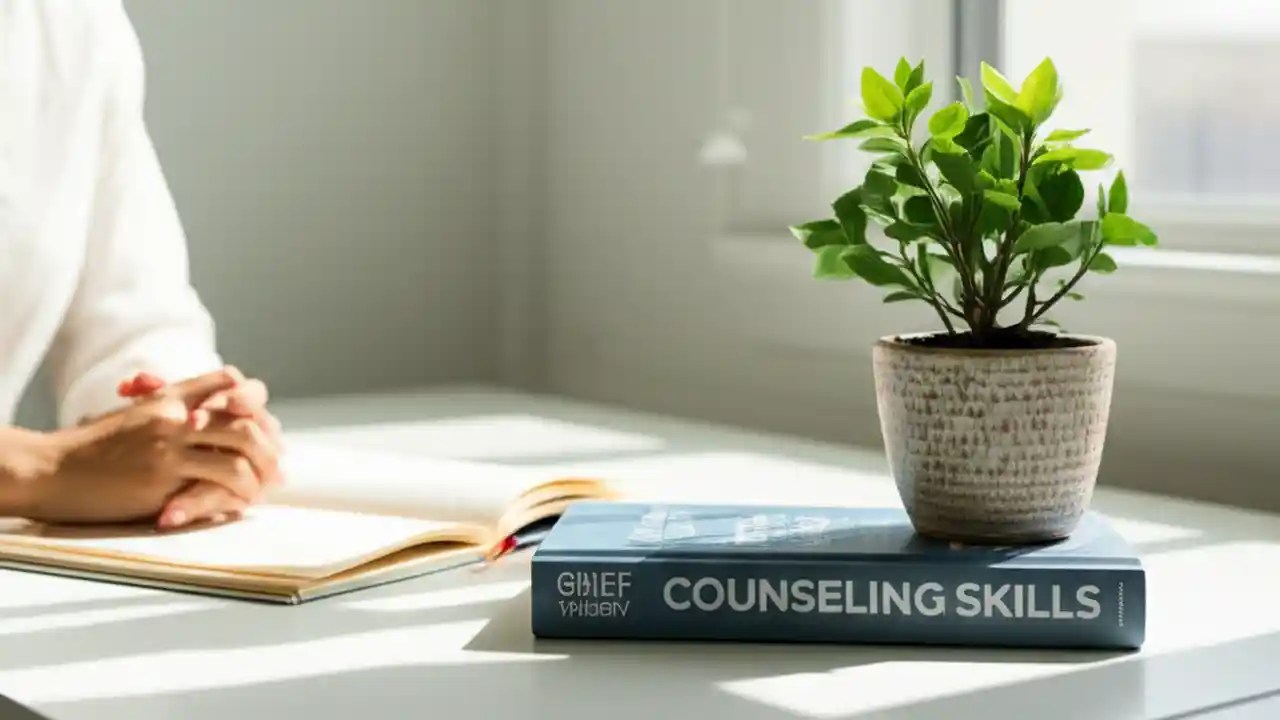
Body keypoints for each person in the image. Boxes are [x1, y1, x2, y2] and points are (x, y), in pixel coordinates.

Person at [0, 1, 281, 529]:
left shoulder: (70, 21)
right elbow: (53, 467)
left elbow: (133, 315)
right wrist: (43, 468)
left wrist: (190, 428)